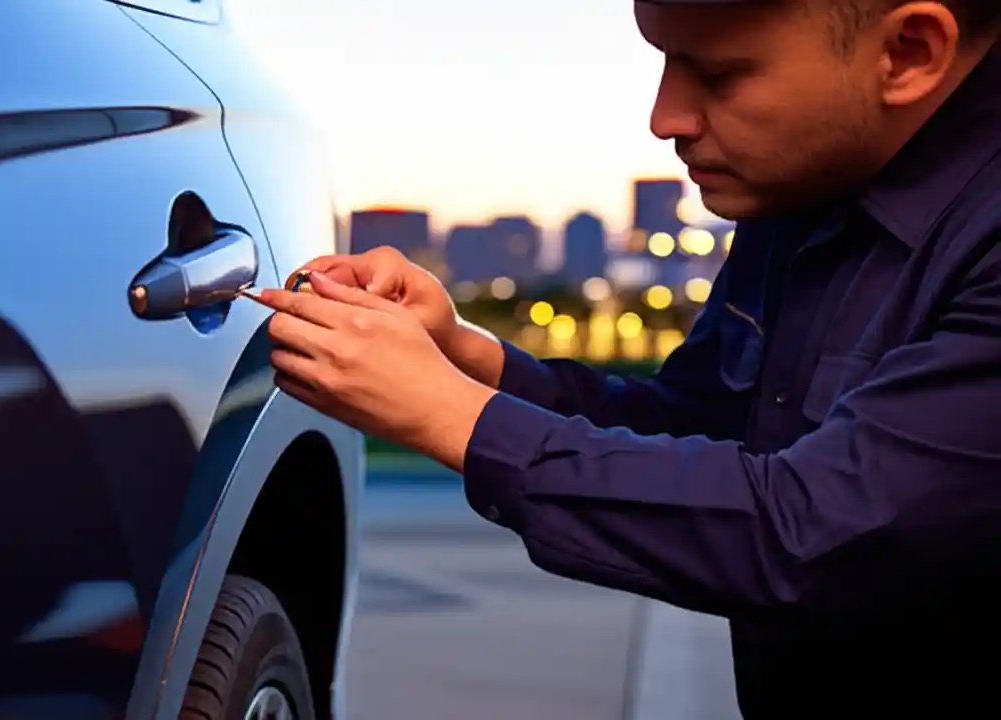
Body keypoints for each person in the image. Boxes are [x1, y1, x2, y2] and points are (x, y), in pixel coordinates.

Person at [252, 0, 1000, 716]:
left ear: (909, 52)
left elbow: (810, 534)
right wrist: (461, 358)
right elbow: (702, 429)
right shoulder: (809, 182)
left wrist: (447, 414)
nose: (664, 118)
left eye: (718, 73)